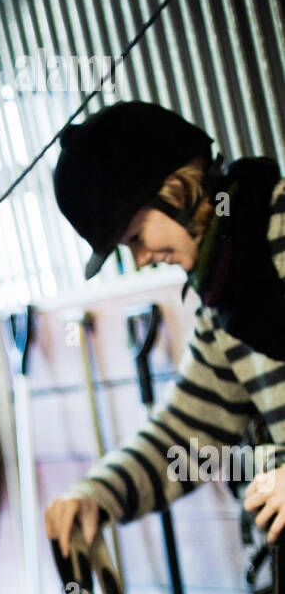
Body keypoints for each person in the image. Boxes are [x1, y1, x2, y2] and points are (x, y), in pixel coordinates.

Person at [43, 100, 285, 557]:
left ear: (175, 189)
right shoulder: (225, 300)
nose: (139, 260)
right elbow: (184, 435)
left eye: (135, 238)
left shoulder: (278, 227)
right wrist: (98, 494)